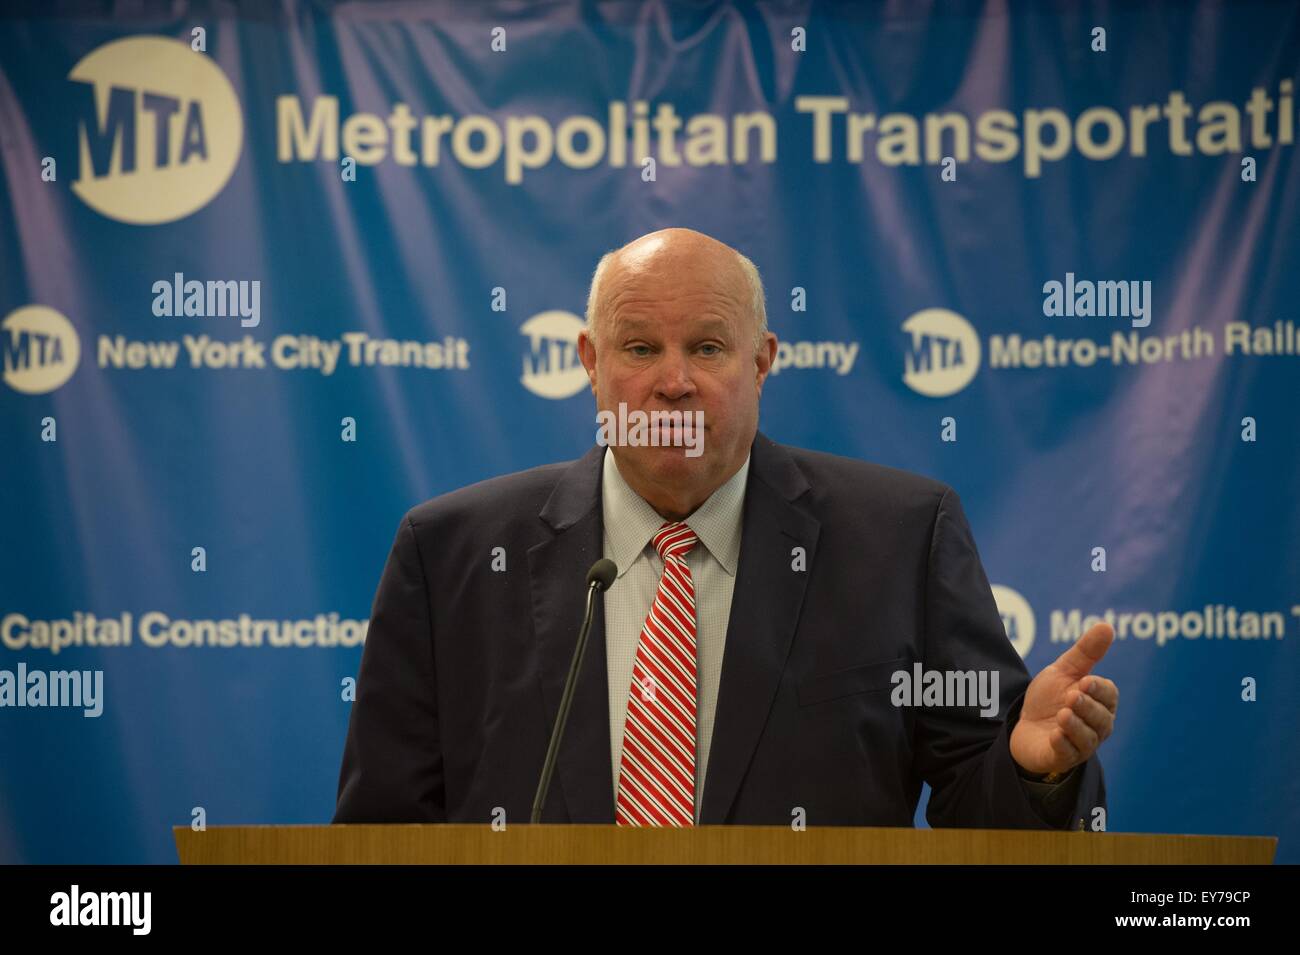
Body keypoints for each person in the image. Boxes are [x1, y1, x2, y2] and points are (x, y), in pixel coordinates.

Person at [333, 227, 1118, 828]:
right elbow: (382, 833)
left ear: (762, 361)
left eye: (707, 347)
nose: (674, 383)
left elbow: (977, 804)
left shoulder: (900, 539)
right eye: (640, 347)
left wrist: (1031, 767)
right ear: (589, 361)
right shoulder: (452, 556)